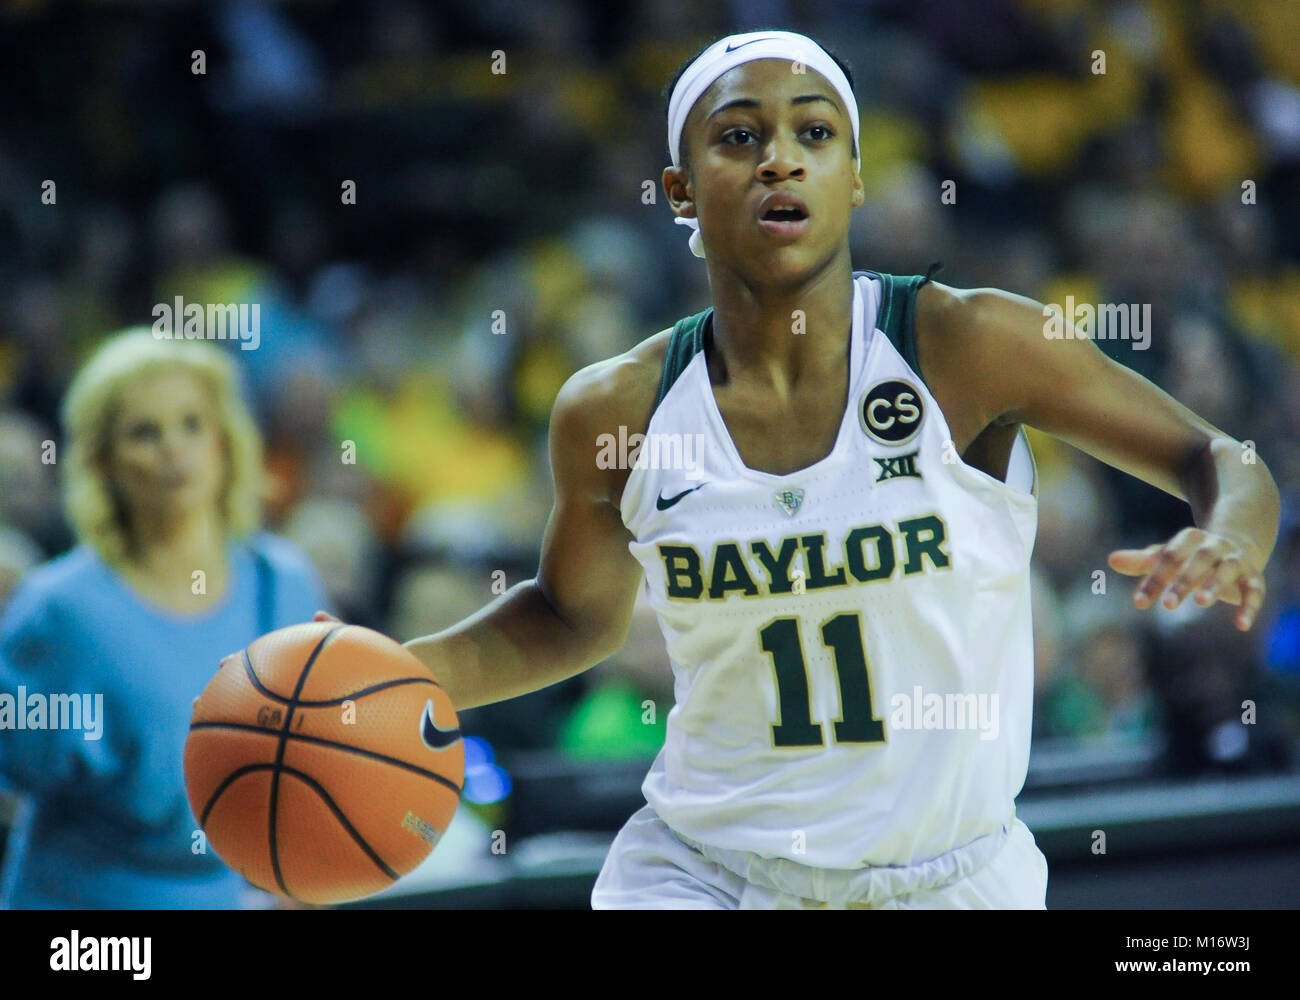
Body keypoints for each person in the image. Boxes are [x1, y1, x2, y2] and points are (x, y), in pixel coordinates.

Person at [325, 29, 1279, 909]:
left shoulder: (968, 344)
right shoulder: (616, 408)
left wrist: (1232, 529)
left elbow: (1218, 457)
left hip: (947, 881)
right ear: (680, 190)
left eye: (814, 133)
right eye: (738, 137)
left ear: (854, 176)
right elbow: (573, 615)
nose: (779, 156)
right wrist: (392, 676)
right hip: (703, 871)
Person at [0, 329, 328, 909]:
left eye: (192, 424)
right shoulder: (61, 610)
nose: (174, 449)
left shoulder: (286, 583)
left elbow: (321, 767)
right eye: (144, 432)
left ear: (225, 441)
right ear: (102, 461)